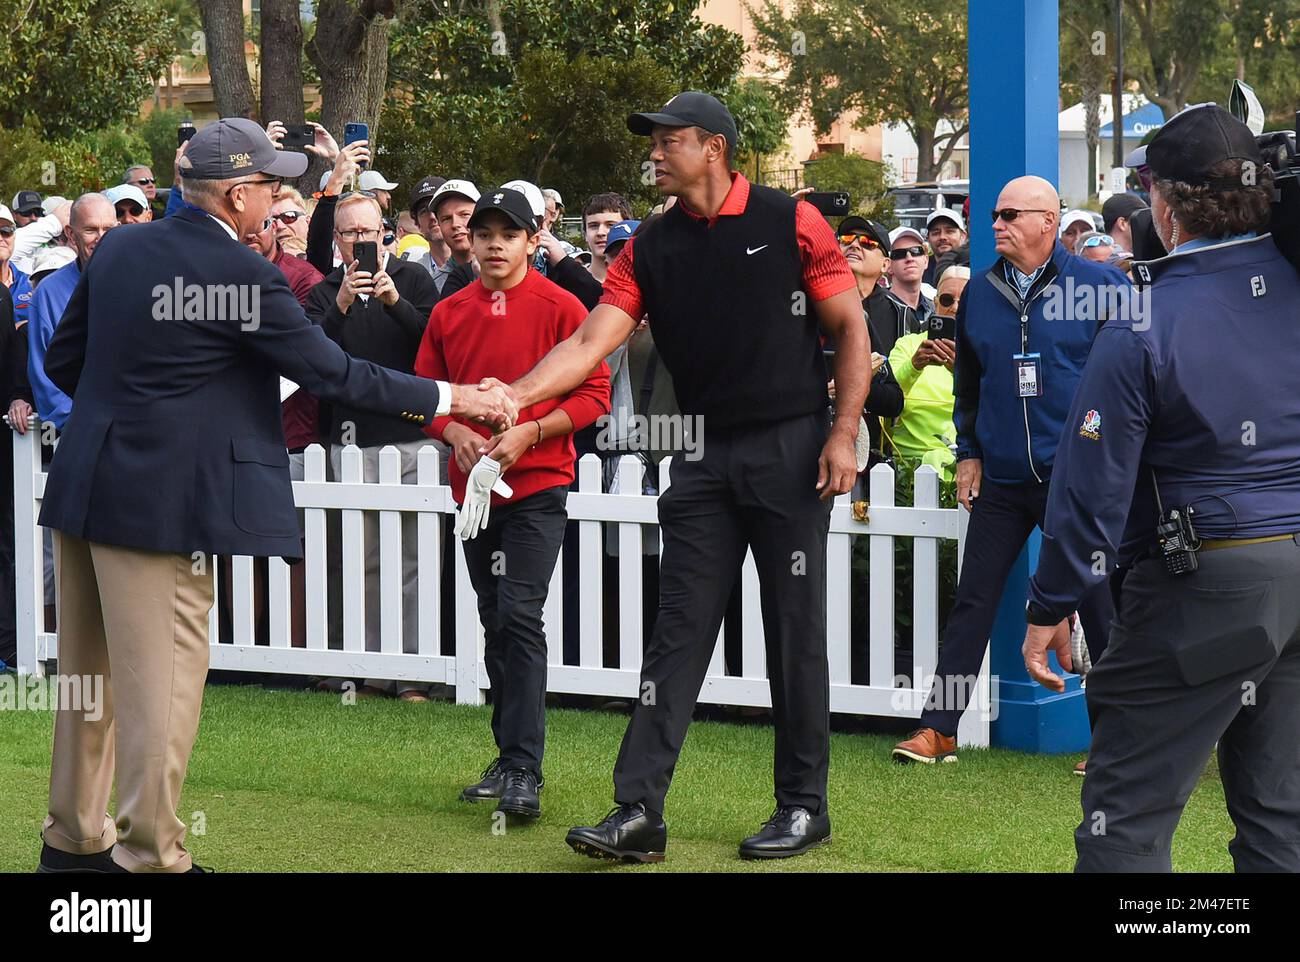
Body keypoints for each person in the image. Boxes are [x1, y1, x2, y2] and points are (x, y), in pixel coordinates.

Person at [32, 117, 515, 875]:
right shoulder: (242, 275)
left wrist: (133, 414)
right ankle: (152, 859)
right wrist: (455, 399)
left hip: (88, 485)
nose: (279, 202)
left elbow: (68, 361)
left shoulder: (121, 247)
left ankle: (72, 845)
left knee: (90, 679)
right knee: (160, 689)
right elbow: (338, 375)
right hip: (164, 508)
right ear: (235, 195)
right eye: (270, 187)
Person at [491, 91, 868, 862]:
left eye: (670, 140)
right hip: (700, 455)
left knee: (794, 631)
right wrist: (515, 394)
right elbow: (594, 340)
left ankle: (804, 806)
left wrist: (842, 434)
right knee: (677, 631)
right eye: (654, 140)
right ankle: (639, 812)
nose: (655, 152)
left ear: (716, 147)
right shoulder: (650, 246)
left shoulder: (791, 219)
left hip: (793, 447)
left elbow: (851, 328)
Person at [1023, 104, 1300, 873]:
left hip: (1205, 583)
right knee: (1282, 822)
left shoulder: (1146, 317)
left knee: (1127, 821)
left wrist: (1050, 605)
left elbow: (1090, 489)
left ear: (1165, 206)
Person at [891, 175, 1125, 765]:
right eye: (994, 215)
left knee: (1099, 604)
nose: (996, 224)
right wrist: (969, 449)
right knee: (974, 599)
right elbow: (969, 383)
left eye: (1010, 215)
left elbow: (1128, 383)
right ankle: (938, 728)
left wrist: (1102, 454)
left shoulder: (1100, 285)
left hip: (1075, 479)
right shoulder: (980, 292)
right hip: (1001, 476)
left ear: (1049, 221)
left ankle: (1116, 740)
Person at [416, 186, 610, 820]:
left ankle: (524, 767)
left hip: (538, 487)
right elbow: (424, 398)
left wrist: (530, 430)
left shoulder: (562, 305)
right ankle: (510, 756)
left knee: (519, 615)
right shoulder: (448, 312)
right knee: (496, 617)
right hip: (473, 491)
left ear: (533, 240)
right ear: (466, 241)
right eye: (484, 232)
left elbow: (595, 397)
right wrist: (457, 432)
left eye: (509, 233)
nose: (495, 243)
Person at [305, 191, 441, 701]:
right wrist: (340, 306)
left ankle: (410, 675)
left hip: (411, 442)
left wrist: (393, 302)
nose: (360, 242)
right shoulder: (322, 293)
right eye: (349, 233)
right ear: (336, 240)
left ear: (384, 230)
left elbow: (434, 344)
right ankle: (348, 669)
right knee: (349, 560)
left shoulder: (414, 279)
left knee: (411, 560)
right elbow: (310, 361)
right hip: (349, 443)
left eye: (368, 231)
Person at [27, 194, 118, 432]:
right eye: (90, 230)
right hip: (80, 432)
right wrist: (78, 426)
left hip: (135, 432)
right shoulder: (48, 293)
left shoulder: (142, 283)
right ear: (70, 234)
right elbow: (44, 374)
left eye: (108, 229)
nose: (100, 238)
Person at [828, 215, 903, 468]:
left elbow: (895, 399)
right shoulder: (811, 305)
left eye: (868, 242)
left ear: (885, 264)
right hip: (810, 441)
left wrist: (854, 385)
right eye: (847, 239)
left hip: (874, 454)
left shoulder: (901, 314)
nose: (855, 245)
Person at [885, 266, 966, 479]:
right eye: (948, 300)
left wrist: (960, 372)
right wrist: (914, 366)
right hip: (908, 464)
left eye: (964, 300)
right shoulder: (908, 344)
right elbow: (886, 395)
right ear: (936, 302)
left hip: (965, 461)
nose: (955, 308)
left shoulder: (985, 350)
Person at [886, 226, 934, 331]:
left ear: (926, 260)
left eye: (916, 251)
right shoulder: (877, 309)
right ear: (888, 265)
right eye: (899, 254)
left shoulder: (935, 308)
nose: (909, 258)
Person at [582, 192, 633, 284]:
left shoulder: (644, 284)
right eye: (593, 226)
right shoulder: (569, 284)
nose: (600, 232)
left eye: (610, 225)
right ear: (585, 234)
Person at [923, 208, 967, 285]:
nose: (942, 237)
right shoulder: (920, 271)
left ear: (963, 236)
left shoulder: (972, 267)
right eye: (936, 233)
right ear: (928, 238)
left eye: (949, 231)